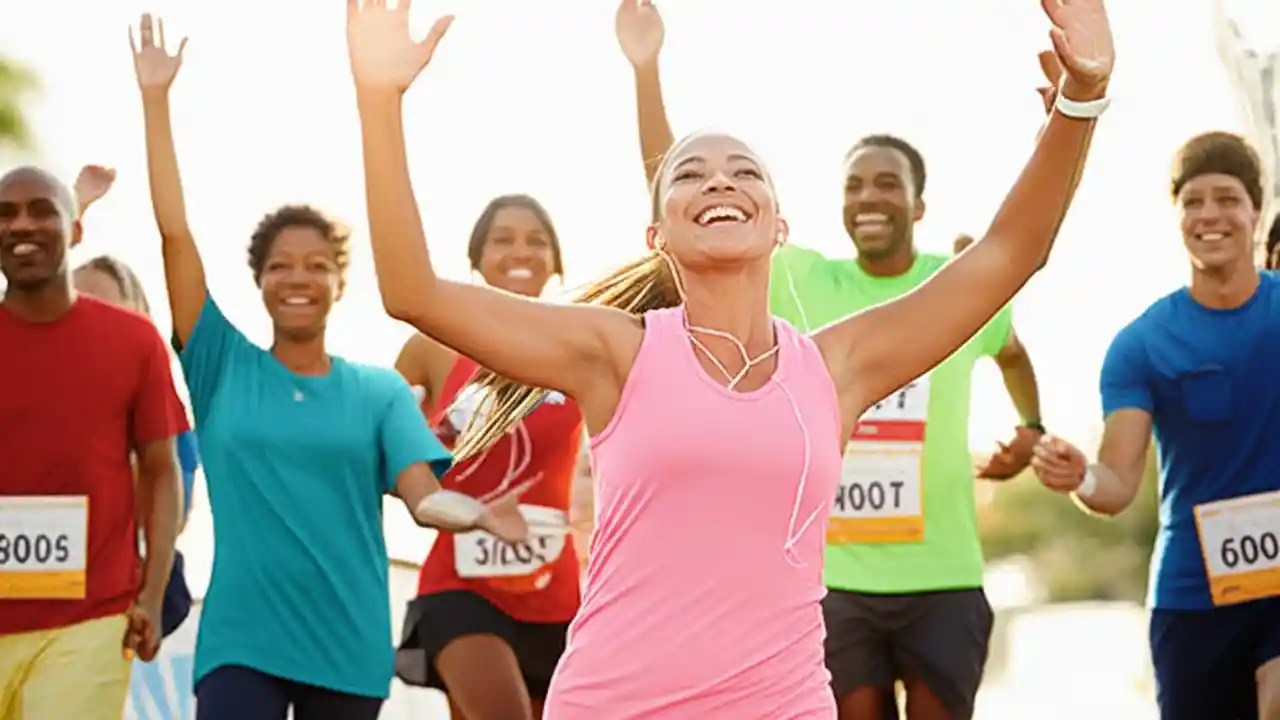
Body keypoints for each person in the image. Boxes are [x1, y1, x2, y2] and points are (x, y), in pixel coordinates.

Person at [345, 0, 1113, 717]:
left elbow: (1010, 254)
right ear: (658, 236)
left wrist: (1082, 99)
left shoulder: (838, 366)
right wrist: (379, 102)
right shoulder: (615, 350)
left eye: (746, 171)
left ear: (779, 225)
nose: (720, 179)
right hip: (616, 701)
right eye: (690, 173)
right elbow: (411, 290)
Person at [615, 3, 1046, 717]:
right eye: (854, 185)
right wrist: (645, 70)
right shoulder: (799, 277)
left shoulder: (953, 288)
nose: (868, 198)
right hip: (833, 577)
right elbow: (682, 203)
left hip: (942, 575)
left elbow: (1014, 352)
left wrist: (1030, 429)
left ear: (920, 203)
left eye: (886, 185)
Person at [129, 13, 527, 720]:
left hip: (346, 650)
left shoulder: (376, 393)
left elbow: (423, 500)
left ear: (339, 283)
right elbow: (174, 236)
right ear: (259, 281)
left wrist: (480, 515)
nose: (298, 279)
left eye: (316, 266)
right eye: (281, 266)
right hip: (241, 645)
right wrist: (156, 102)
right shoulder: (222, 366)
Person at [1032, 131, 1280, 720]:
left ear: (1255, 210)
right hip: (1193, 596)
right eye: (1192, 201)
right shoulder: (1142, 345)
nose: (1209, 214)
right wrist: (1079, 479)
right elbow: (1116, 484)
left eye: (1226, 197)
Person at [0, 165, 186, 720]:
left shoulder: (133, 341)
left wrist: (152, 592)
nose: (21, 225)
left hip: (90, 619)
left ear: (75, 230)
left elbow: (161, 468)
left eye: (41, 211)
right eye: (5, 215)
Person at [393, 195, 585, 720]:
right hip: (460, 586)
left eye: (536, 240)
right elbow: (380, 445)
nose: (520, 251)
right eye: (502, 239)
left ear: (556, 262)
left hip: (557, 591)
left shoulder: (584, 348)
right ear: (475, 260)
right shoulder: (431, 349)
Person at [72, 165, 200, 638]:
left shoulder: (160, 404)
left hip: (114, 591)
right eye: (77, 306)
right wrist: (74, 208)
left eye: (106, 313)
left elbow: (177, 508)